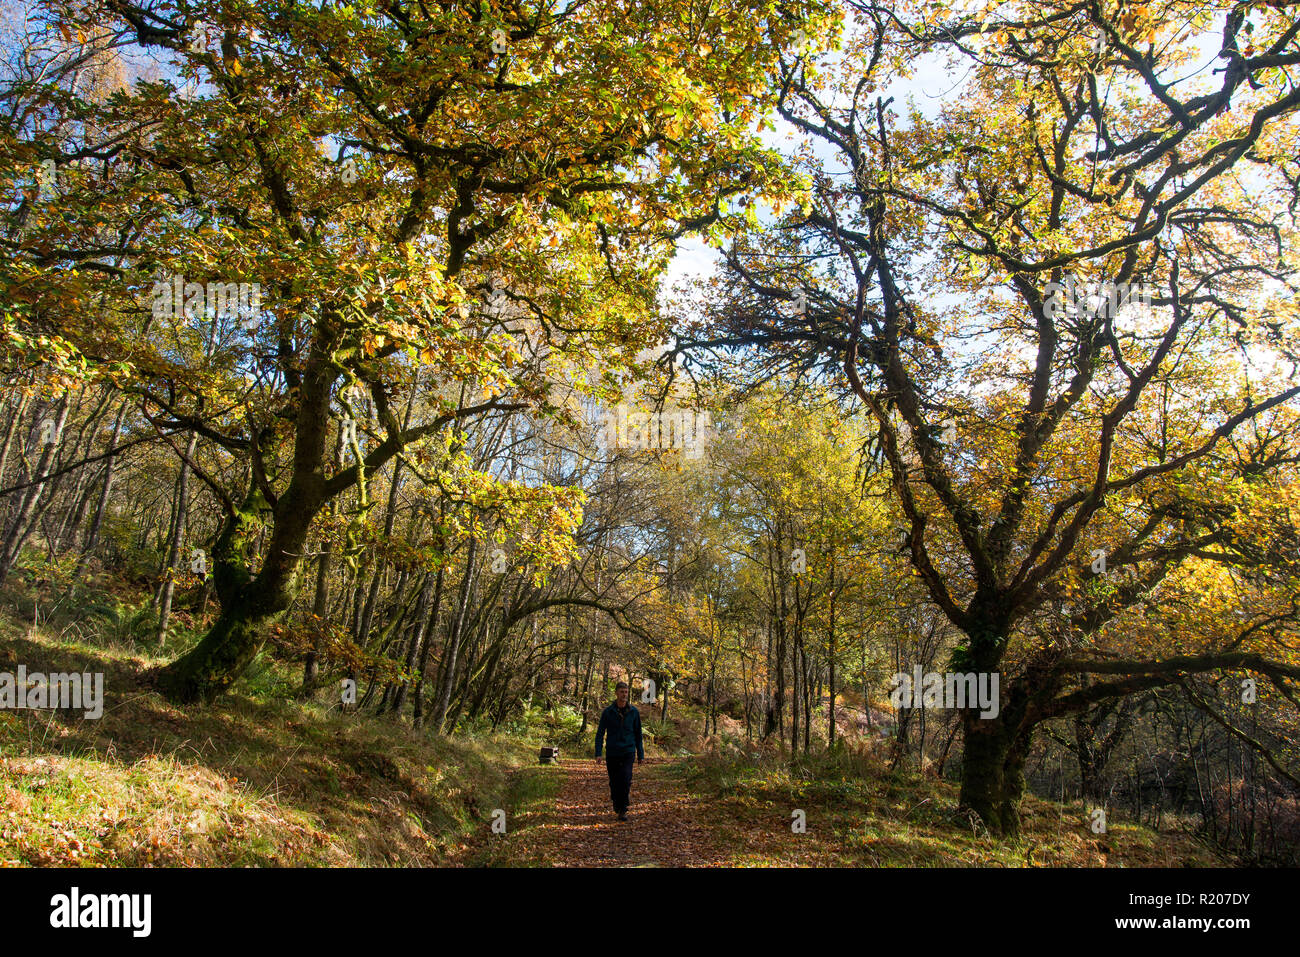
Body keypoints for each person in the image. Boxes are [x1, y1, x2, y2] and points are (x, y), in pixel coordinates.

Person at [594, 680, 644, 821]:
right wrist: (598, 753)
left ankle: (623, 809)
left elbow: (638, 734)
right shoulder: (608, 712)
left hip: (628, 751)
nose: (624, 695)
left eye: (626, 692)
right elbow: (600, 733)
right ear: (616, 693)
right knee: (614, 782)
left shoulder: (634, 712)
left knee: (626, 779)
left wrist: (640, 754)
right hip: (613, 751)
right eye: (621, 692)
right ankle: (617, 803)